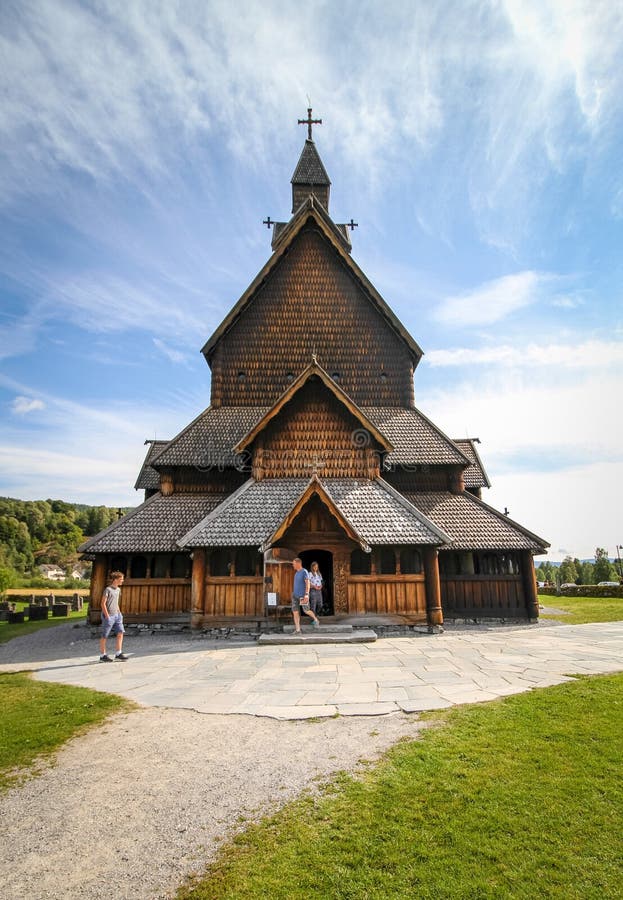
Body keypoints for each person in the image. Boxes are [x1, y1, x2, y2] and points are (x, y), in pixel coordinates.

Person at [99, 571, 128, 662]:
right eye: (121, 579)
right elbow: (103, 603)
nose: (122, 581)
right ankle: (103, 656)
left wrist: (119, 613)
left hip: (117, 615)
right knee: (105, 635)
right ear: (115, 580)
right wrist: (107, 616)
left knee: (120, 633)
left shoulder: (118, 590)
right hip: (109, 616)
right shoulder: (107, 590)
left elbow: (115, 603)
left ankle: (118, 653)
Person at [291, 558, 320, 633]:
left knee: (306, 610)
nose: (293, 565)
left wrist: (306, 594)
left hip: (303, 595)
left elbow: (308, 583)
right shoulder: (296, 573)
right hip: (295, 596)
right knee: (295, 612)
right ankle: (298, 630)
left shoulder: (304, 572)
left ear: (298, 563)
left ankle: (316, 619)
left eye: (294, 563)